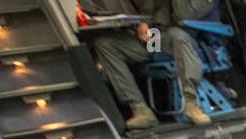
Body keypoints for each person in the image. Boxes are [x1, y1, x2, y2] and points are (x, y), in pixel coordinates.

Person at [88, 0, 214, 128]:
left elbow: (183, 14)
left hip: (179, 36)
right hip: (156, 37)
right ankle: (140, 108)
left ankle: (191, 103)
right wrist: (145, 22)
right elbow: (150, 9)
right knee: (105, 44)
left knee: (179, 36)